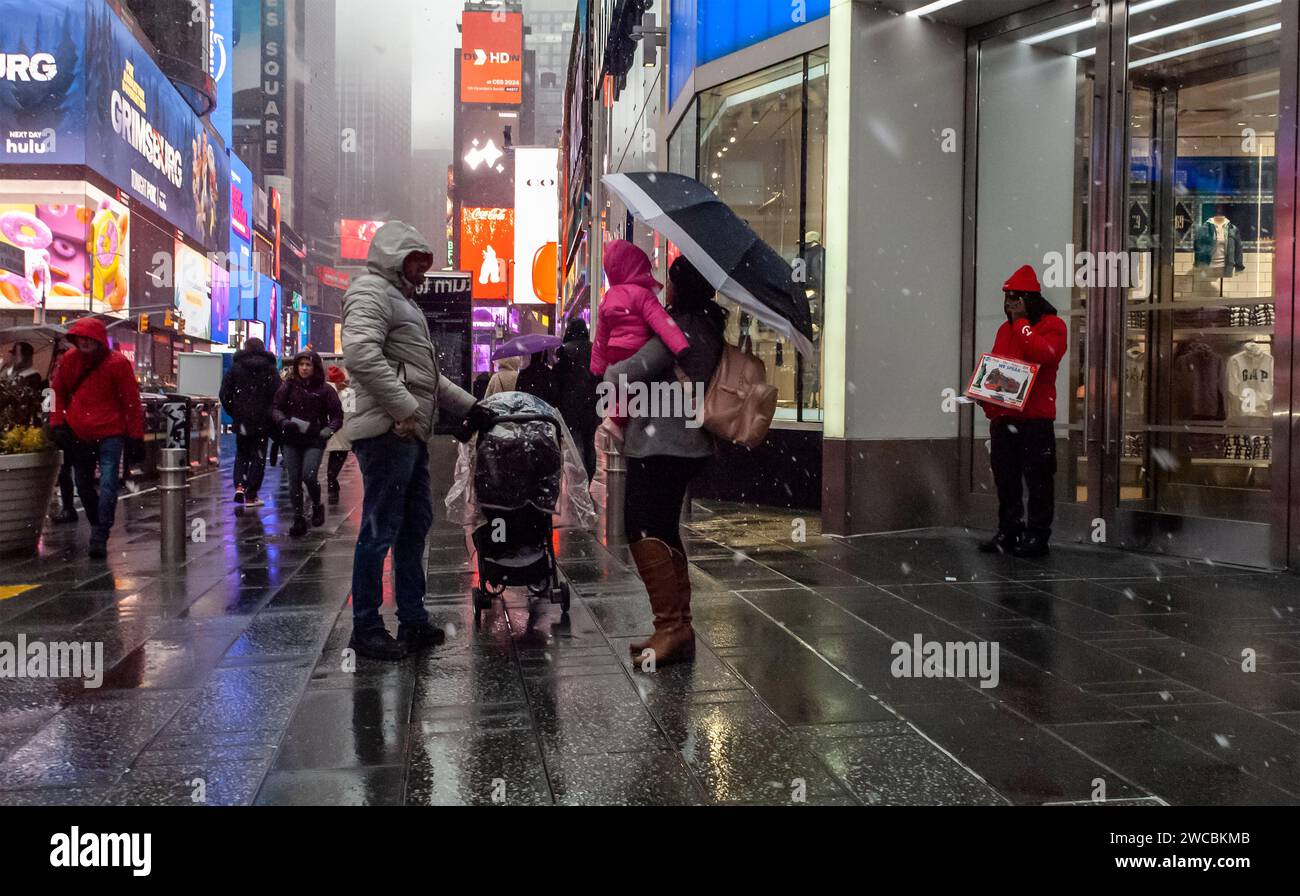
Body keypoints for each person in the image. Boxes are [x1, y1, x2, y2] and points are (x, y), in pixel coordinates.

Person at [342, 221, 487, 661]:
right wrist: (405, 409)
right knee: (380, 529)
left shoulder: (401, 300)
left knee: (414, 526)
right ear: (393, 257)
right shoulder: (371, 292)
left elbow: (431, 379)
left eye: (426, 264)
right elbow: (360, 354)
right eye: (415, 263)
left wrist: (473, 408)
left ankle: (413, 620)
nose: (423, 273)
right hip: (390, 432)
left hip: (408, 434)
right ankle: (366, 627)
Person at [604, 257, 725, 668]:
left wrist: (608, 361)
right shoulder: (709, 325)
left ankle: (670, 626)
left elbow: (625, 374)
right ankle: (678, 629)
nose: (664, 289)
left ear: (681, 286)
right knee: (663, 529)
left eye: (670, 282)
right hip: (683, 445)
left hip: (663, 446)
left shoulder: (681, 327)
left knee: (641, 527)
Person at [977, 264, 1067, 558]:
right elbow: (997, 370)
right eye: (1007, 300)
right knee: (1006, 479)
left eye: (1016, 299)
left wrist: (1022, 324)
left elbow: (1045, 355)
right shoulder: (1005, 329)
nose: (1010, 306)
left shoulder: (1052, 326)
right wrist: (985, 397)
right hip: (1006, 419)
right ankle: (1009, 531)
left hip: (1036, 420)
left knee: (1039, 480)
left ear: (1030, 300)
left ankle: (1037, 535)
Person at [48, 317, 144, 559]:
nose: (85, 342)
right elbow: (57, 393)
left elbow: (131, 403)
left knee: (109, 482)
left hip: (111, 433)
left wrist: (135, 436)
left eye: (89, 338)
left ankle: (100, 533)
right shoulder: (70, 361)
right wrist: (57, 423)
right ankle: (98, 524)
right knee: (83, 485)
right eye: (81, 338)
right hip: (80, 434)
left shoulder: (117, 364)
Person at [590, 240, 691, 428]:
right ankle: (617, 420)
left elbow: (600, 338)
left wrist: (597, 366)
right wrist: (680, 345)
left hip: (614, 351)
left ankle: (613, 417)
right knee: (635, 390)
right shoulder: (642, 295)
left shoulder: (608, 299)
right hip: (635, 348)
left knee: (620, 389)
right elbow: (662, 323)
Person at [272, 350, 343, 537]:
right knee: (294, 480)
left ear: (315, 367)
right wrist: (283, 422)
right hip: (291, 439)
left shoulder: (325, 390)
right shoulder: (288, 386)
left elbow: (336, 415)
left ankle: (317, 504)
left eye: (308, 365)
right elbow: (276, 408)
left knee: (309, 475)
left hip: (314, 439)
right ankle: (298, 517)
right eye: (301, 365)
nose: (304, 368)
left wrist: (328, 430)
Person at [219, 336, 280, 507]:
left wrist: (235, 411)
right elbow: (279, 395)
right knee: (258, 457)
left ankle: (239, 485)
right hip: (263, 421)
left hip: (242, 420)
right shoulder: (270, 369)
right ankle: (251, 494)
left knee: (242, 454)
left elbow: (224, 394)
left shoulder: (236, 369)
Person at [553, 318, 600, 479]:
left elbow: (558, 379)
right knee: (590, 443)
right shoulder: (594, 350)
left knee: (574, 444)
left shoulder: (564, 351)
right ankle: (590, 475)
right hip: (591, 405)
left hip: (570, 406)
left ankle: (578, 479)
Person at [47, 339, 78, 525]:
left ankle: (70, 507)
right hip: (58, 426)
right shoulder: (50, 380)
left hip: (72, 426)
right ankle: (68, 507)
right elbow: (48, 403)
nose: (59, 366)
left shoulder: (72, 379)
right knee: (63, 470)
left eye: (61, 362)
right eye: (57, 363)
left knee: (72, 469)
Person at [324, 365, 353, 502]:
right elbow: (349, 413)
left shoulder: (327, 391)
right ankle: (332, 479)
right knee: (339, 455)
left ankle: (332, 479)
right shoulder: (347, 393)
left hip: (333, 430)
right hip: (342, 430)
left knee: (335, 455)